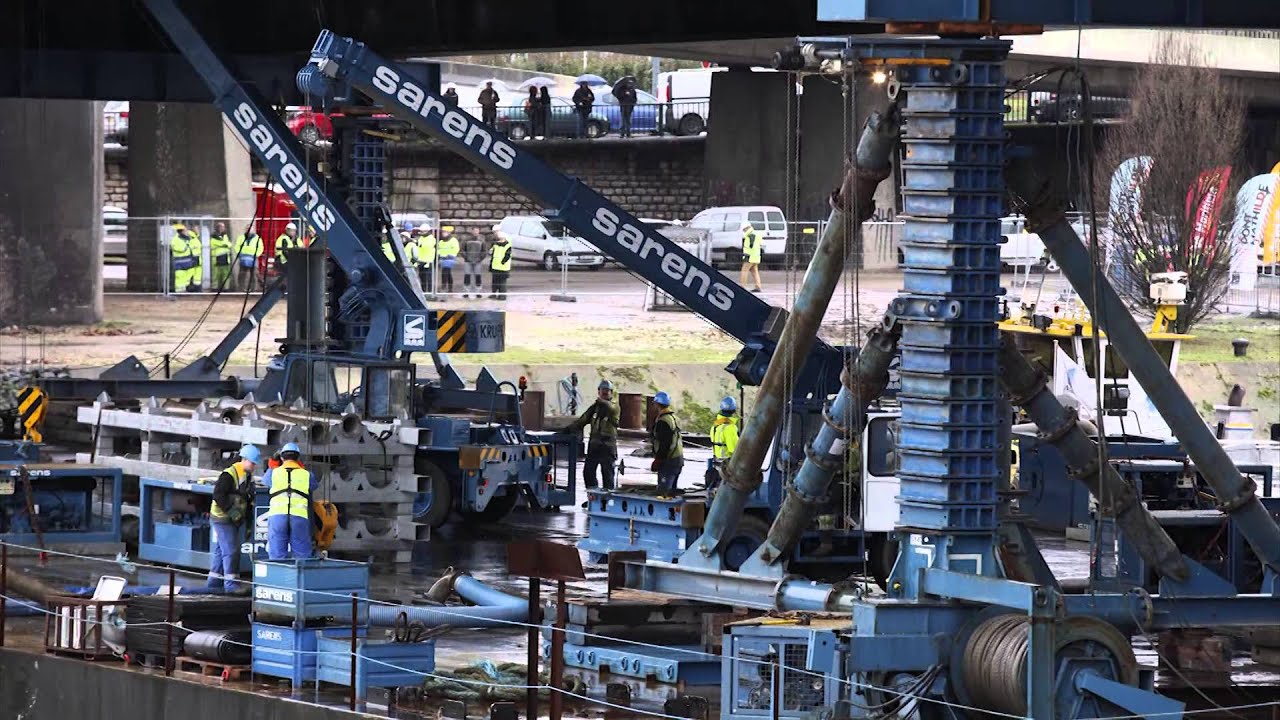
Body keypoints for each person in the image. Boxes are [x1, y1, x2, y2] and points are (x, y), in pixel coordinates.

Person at [207, 445, 261, 592]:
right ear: (244, 459)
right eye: (253, 462)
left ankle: (213, 583)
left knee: (221, 550)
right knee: (231, 550)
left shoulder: (248, 477)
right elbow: (218, 496)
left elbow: (249, 501)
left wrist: (249, 524)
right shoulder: (228, 475)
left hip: (233, 520)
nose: (255, 466)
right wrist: (231, 512)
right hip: (222, 518)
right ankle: (231, 585)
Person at [566, 380, 621, 497]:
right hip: (594, 447)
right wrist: (568, 429)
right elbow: (583, 420)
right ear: (599, 391)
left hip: (607, 447)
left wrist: (601, 402)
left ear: (611, 392)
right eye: (602, 390)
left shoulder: (615, 406)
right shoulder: (595, 408)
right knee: (588, 473)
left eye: (607, 391)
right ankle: (593, 497)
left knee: (607, 475)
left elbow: (610, 408)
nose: (605, 393)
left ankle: (608, 501)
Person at [265, 442, 313, 560]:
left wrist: (273, 464)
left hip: (277, 517)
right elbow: (313, 485)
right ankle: (301, 577)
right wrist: (301, 467)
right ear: (298, 458)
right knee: (302, 553)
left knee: (277, 553)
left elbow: (265, 481)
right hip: (299, 517)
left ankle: (278, 577)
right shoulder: (306, 474)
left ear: (281, 457)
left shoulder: (273, 473)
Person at [650, 391, 684, 493]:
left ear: (657, 404)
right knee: (671, 492)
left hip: (669, 462)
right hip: (677, 459)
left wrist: (658, 460)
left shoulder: (663, 421)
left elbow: (665, 444)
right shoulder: (672, 417)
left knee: (663, 493)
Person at [169, 223, 201, 293]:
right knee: (180, 277)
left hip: (187, 261)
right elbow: (179, 248)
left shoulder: (186, 238)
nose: (187, 231)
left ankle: (184, 289)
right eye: (185, 230)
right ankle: (180, 291)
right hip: (180, 262)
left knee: (187, 276)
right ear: (182, 231)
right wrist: (187, 245)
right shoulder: (176, 239)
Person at [233, 226, 264, 291]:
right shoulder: (240, 238)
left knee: (254, 274)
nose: (248, 230)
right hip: (243, 257)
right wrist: (240, 254)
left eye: (250, 229)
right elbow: (237, 246)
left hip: (253, 258)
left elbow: (260, 248)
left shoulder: (257, 238)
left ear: (253, 230)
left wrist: (256, 255)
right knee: (242, 274)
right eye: (247, 229)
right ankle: (241, 289)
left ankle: (253, 289)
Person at [710, 396, 739, 461]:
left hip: (716, 460)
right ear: (734, 410)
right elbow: (735, 450)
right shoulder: (730, 428)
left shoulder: (715, 426)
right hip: (727, 464)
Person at [739, 220, 763, 293]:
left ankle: (742, 286)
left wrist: (746, 254)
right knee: (754, 271)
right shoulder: (756, 234)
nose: (743, 231)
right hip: (756, 256)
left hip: (750, 256)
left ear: (746, 228)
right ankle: (758, 286)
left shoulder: (750, 235)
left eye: (743, 229)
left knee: (744, 271)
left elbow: (750, 246)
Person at [462, 230, 487, 298]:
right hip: (468, 261)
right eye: (474, 231)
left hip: (478, 261)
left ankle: (478, 291)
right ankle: (466, 291)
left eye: (477, 231)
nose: (476, 233)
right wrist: (466, 258)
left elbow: (484, 251)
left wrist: (480, 259)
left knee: (478, 276)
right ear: (472, 232)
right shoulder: (466, 240)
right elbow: (463, 250)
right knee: (467, 276)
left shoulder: (482, 241)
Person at [412, 223, 437, 293]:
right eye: (421, 231)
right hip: (421, 260)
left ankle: (428, 292)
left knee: (428, 278)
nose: (421, 232)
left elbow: (426, 246)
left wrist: (417, 243)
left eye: (423, 231)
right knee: (422, 277)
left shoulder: (431, 239)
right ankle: (424, 291)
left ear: (428, 231)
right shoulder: (421, 238)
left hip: (427, 261)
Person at [209, 221, 233, 290]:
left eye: (223, 227)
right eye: (221, 227)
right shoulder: (213, 236)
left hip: (225, 257)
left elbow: (229, 244)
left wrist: (225, 244)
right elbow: (214, 244)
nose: (222, 228)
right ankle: (214, 287)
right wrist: (224, 244)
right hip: (216, 258)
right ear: (217, 228)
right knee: (215, 274)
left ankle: (226, 288)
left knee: (226, 273)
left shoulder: (225, 235)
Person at [489, 230, 513, 300]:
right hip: (495, 267)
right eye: (499, 239)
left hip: (503, 268)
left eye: (501, 239)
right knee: (495, 282)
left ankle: (502, 296)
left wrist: (502, 262)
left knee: (502, 283)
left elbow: (507, 256)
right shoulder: (495, 245)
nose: (499, 240)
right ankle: (494, 294)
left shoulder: (508, 245)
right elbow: (492, 254)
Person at [436, 227, 460, 294]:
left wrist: (450, 255)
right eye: (443, 232)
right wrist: (439, 255)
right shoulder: (441, 241)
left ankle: (443, 286)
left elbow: (456, 249)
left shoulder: (453, 240)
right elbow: (439, 249)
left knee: (445, 272)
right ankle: (450, 287)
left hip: (449, 259)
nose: (443, 233)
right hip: (442, 259)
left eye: (445, 232)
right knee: (448, 273)